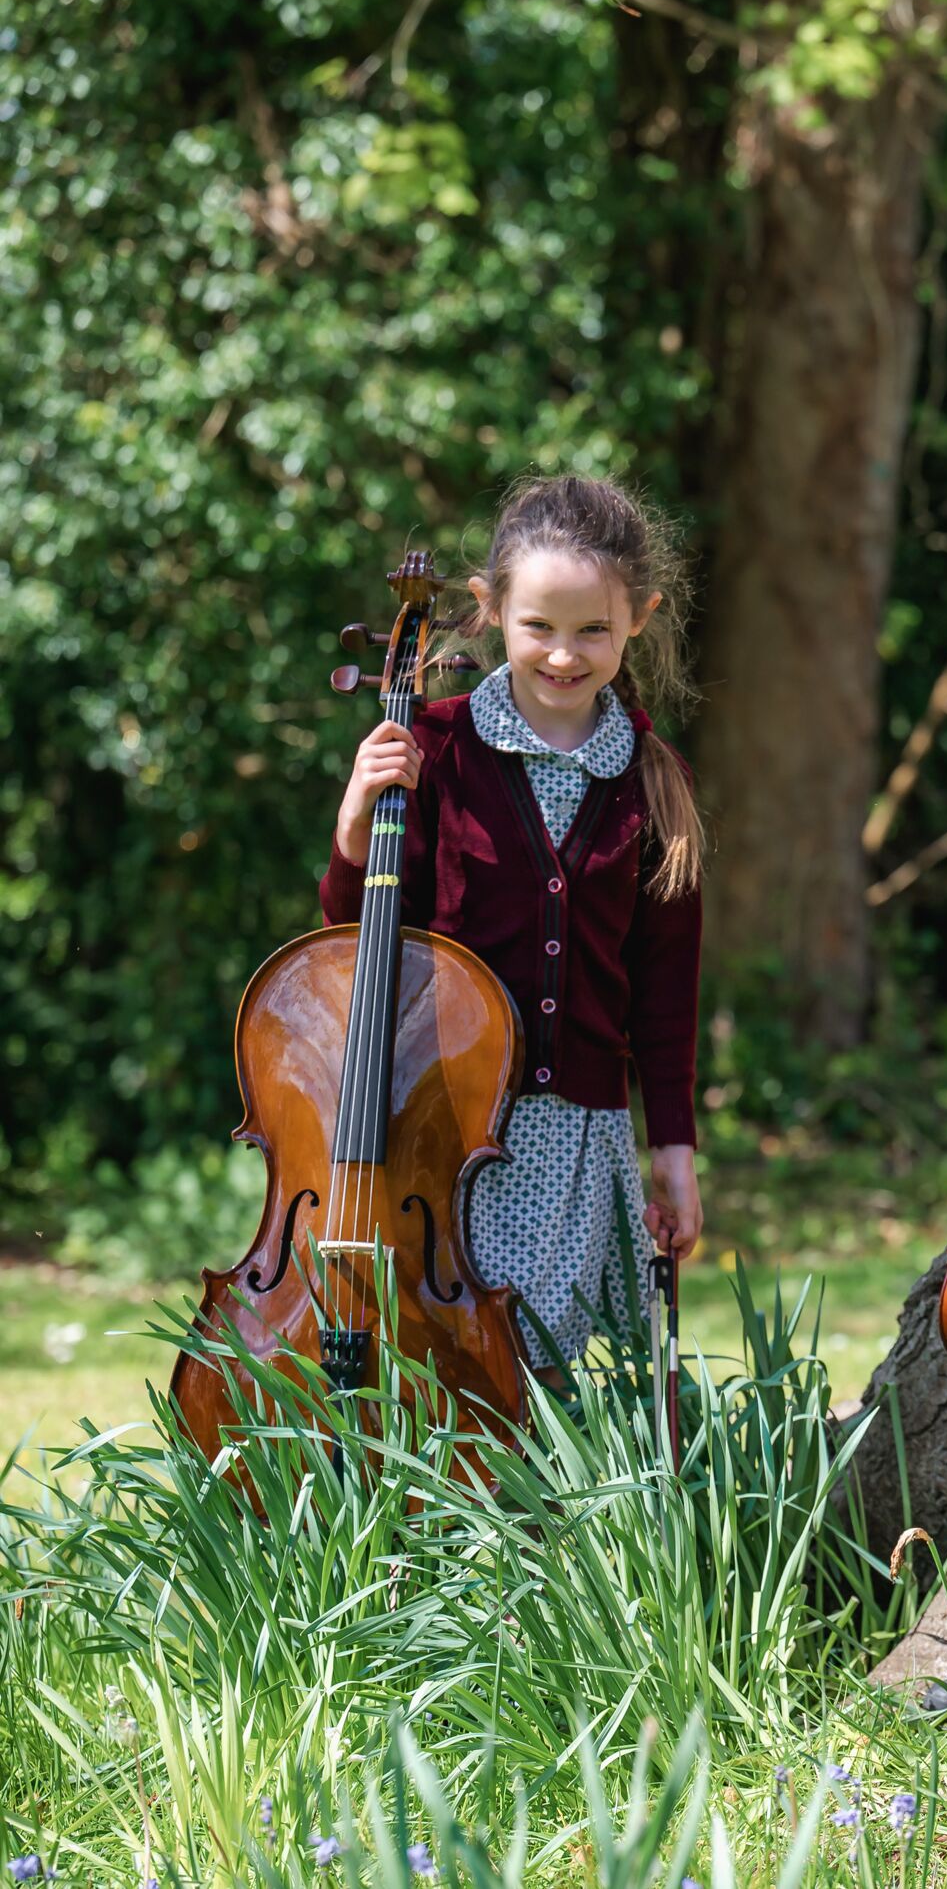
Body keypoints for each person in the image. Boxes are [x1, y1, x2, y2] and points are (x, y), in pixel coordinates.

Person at [324, 474, 706, 1369]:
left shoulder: (652, 779)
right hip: (443, 1122)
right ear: (489, 607)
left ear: (639, 619)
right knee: (437, 1355)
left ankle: (532, 1516)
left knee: (539, 1368)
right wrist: (355, 821)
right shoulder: (436, 750)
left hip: (577, 1133)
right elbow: (360, 937)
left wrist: (675, 1152)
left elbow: (665, 994)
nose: (564, 655)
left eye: (594, 631)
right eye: (539, 626)